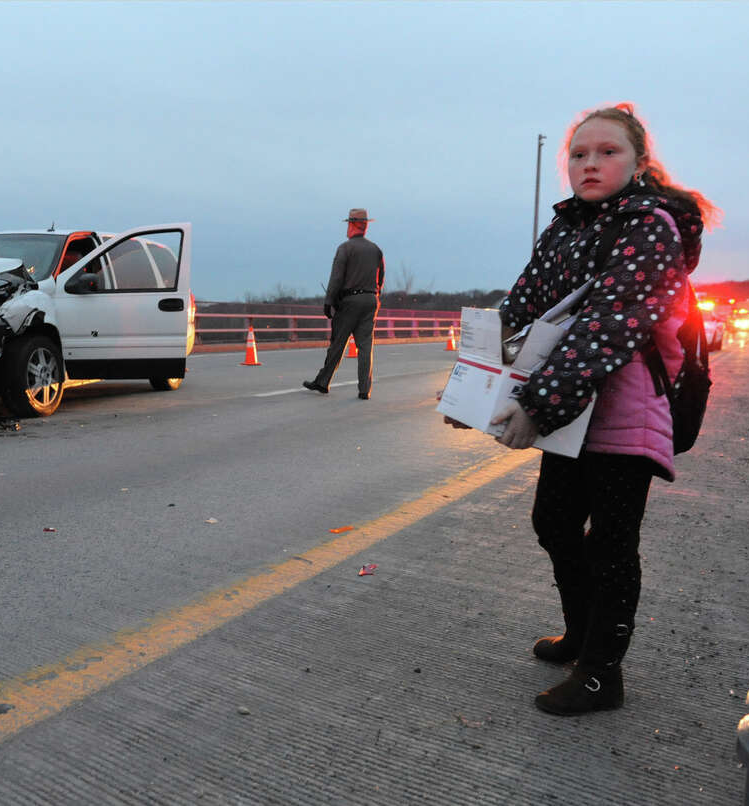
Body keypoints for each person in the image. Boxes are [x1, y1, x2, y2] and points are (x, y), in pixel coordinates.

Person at [446, 103, 718, 715]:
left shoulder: (652, 226)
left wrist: (537, 407)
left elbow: (608, 324)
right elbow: (520, 308)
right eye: (579, 154)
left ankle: (601, 674)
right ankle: (580, 633)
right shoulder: (565, 228)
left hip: (626, 407)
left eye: (607, 152)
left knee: (612, 543)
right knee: (555, 522)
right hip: (573, 407)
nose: (590, 163)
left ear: (640, 163)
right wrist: (470, 390)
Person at [303, 208, 385, 399]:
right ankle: (365, 390)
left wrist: (329, 301)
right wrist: (374, 294)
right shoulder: (375, 250)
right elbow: (380, 277)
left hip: (349, 302)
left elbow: (336, 278)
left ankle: (323, 382)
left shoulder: (345, 248)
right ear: (365, 225)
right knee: (365, 346)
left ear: (351, 224)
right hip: (371, 300)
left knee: (338, 343)